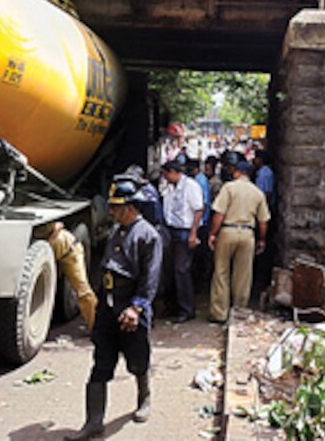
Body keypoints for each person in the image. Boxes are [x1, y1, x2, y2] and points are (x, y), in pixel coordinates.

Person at [66, 176, 162, 440]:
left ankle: (144, 399)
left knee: (138, 360)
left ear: (130, 207)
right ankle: (93, 421)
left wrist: (137, 308)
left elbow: (150, 278)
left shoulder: (148, 236)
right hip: (108, 308)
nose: (111, 211)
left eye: (116, 207)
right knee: (100, 364)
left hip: (131, 308)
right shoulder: (115, 231)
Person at [208, 157, 270, 323]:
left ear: (237, 172)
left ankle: (219, 313)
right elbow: (263, 221)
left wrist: (213, 234)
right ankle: (239, 311)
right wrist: (262, 240)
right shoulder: (257, 192)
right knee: (243, 275)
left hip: (228, 231)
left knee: (221, 272)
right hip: (247, 234)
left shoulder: (228, 188)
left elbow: (219, 214)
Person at [159, 158, 205, 322]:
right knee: (170, 270)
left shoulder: (191, 186)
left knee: (182, 270)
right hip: (171, 231)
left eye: (166, 174)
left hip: (184, 232)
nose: (164, 178)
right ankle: (172, 306)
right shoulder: (169, 187)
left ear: (173, 173)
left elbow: (198, 210)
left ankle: (186, 309)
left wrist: (193, 233)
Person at [49, 221, 97, 331]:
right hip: (57, 252)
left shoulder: (47, 229)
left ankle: (96, 328)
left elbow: (59, 225)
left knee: (83, 292)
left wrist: (52, 237)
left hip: (71, 252)